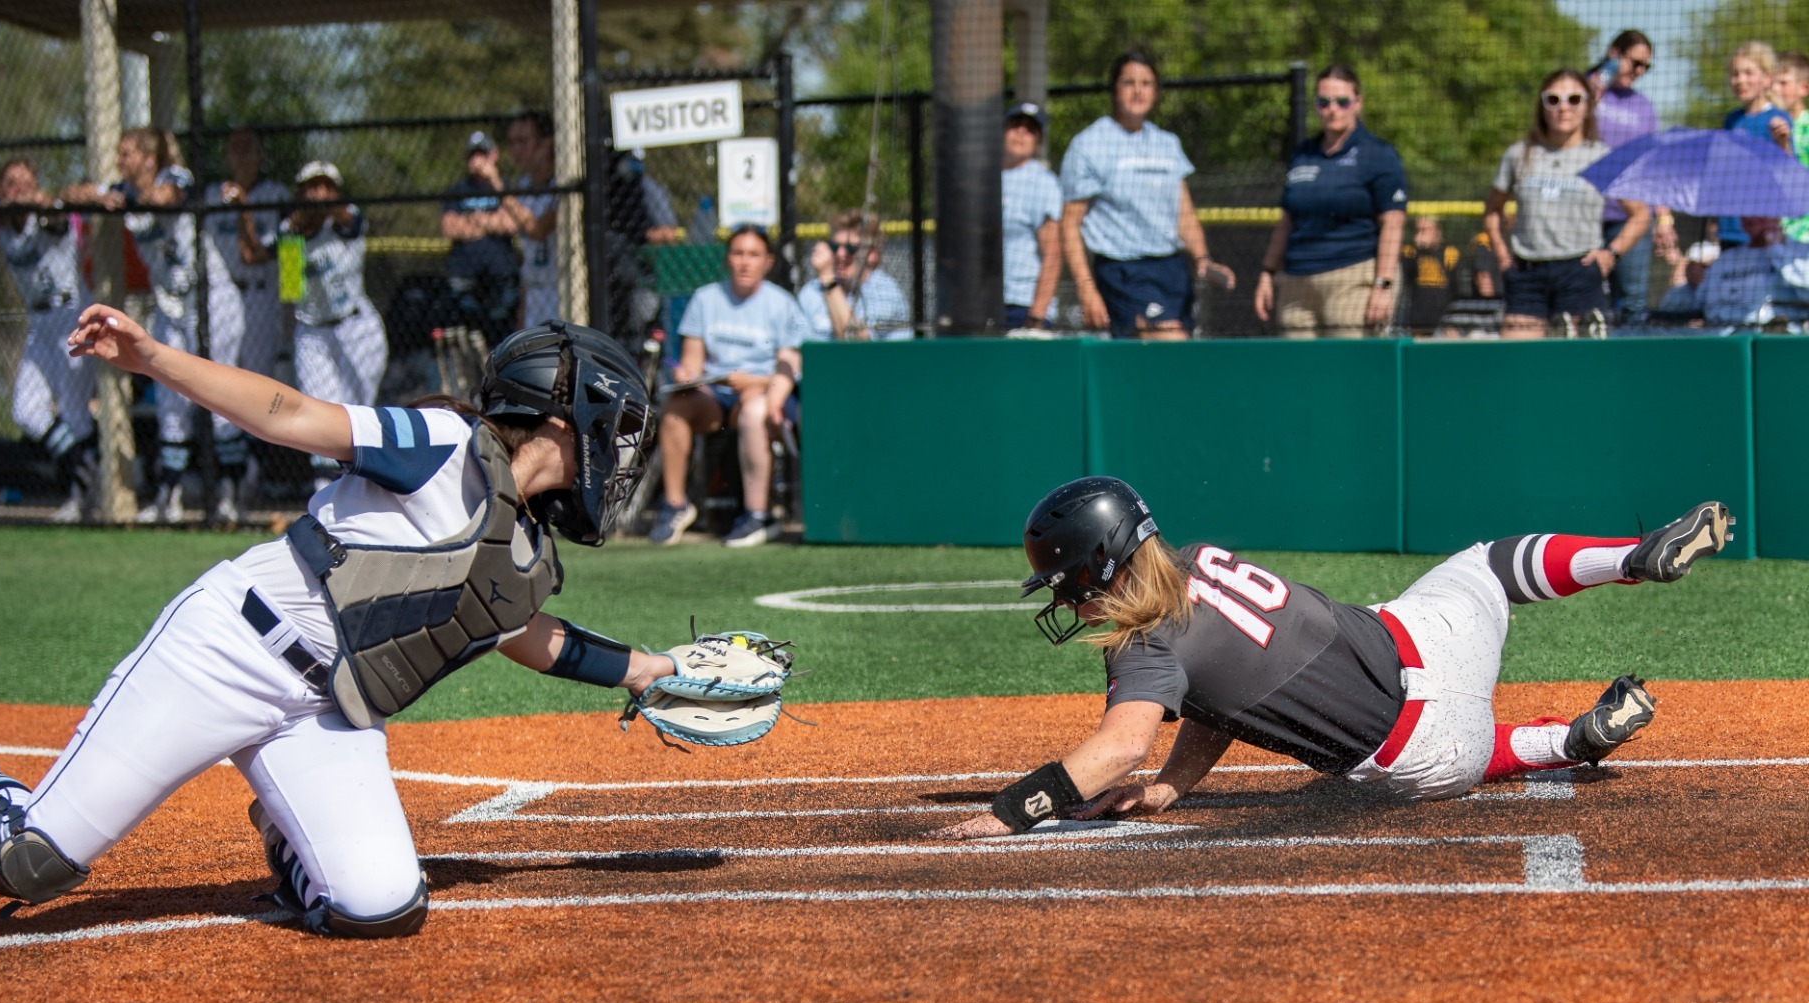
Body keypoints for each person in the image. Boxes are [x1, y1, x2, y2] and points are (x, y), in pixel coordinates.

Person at [0, 313, 667, 940]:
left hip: (325, 712)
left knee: (380, 905)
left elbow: (527, 635)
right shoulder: (444, 443)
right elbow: (289, 413)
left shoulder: (524, 547)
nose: (624, 453)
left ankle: (286, 827)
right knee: (30, 861)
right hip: (227, 651)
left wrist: (650, 669)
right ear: (563, 420)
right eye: (617, 427)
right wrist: (152, 358)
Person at [931, 478, 1734, 841]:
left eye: (1066, 585)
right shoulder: (1202, 560)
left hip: (1426, 749)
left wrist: (1010, 811)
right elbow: (1218, 692)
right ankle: (1628, 558)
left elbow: (1118, 749)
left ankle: (1562, 741)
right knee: (1489, 564)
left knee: (1450, 753)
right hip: (1427, 635)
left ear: (1093, 572)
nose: (1066, 601)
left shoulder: (1145, 646)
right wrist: (1177, 783)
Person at [61, 126, 247, 523]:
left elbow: (164, 198)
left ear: (148, 159)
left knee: (221, 399)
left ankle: (230, 495)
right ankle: (169, 498)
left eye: (127, 153)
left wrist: (126, 197)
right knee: (170, 401)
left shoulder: (173, 177)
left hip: (211, 298)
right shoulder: (121, 188)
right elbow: (70, 194)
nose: (119, 160)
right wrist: (101, 196)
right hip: (171, 304)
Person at [0, 159, 97, 522]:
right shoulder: (1, 222)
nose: (19, 190)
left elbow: (57, 216)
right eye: (11, 183)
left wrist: (36, 200)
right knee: (26, 410)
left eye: (26, 182)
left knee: (74, 412)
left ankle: (81, 493)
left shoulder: (47, 217)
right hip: (38, 321)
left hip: (71, 315)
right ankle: (85, 467)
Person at [1060, 51, 1235, 340]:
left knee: (1164, 355)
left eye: (1146, 83)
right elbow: (1069, 224)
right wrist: (1085, 287)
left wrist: (1203, 259)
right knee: (1170, 341)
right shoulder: (1089, 144)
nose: (1138, 91)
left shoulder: (1167, 143)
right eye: (1129, 82)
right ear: (1114, 89)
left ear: (1156, 91)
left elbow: (1184, 215)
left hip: (1172, 271)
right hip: (1124, 272)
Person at [654, 225, 807, 548]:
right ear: (727, 259)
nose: (745, 262)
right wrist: (686, 376)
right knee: (676, 408)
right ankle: (675, 506)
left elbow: (790, 369)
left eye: (753, 255)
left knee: (753, 407)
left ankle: (756, 515)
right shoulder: (705, 298)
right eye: (738, 253)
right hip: (714, 395)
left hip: (760, 393)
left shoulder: (783, 304)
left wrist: (754, 382)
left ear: (768, 261)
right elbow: (693, 361)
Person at [238, 162, 388, 491]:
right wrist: (244, 211)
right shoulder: (291, 233)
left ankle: (360, 492)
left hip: (356, 327)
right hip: (313, 333)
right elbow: (256, 259)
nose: (318, 193)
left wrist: (317, 209)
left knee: (355, 415)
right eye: (310, 187)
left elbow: (343, 215)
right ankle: (326, 493)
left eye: (325, 186)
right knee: (319, 414)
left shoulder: (346, 220)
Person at [1483, 70, 1650, 338]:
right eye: (1554, 99)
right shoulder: (1519, 154)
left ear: (1587, 105)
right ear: (1542, 105)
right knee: (1518, 360)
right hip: (1527, 275)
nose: (1564, 107)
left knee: (1578, 362)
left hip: (1579, 273)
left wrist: (1611, 254)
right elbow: (1493, 210)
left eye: (1574, 99)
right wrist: (1502, 255)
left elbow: (1640, 214)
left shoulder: (1601, 156)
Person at [1253, 64, 1407, 338]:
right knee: (1299, 364)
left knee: (1348, 361)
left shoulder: (1378, 154)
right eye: (1323, 102)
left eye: (1342, 101)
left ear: (1358, 103)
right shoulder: (1303, 154)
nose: (1332, 109)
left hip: (1352, 277)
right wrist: (1268, 273)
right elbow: (1287, 221)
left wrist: (1383, 285)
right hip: (1297, 281)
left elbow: (1393, 222)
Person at [210, 129, 293, 523]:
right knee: (222, 389)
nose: (242, 156)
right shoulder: (214, 194)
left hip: (263, 296)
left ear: (261, 155)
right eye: (235, 149)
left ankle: (253, 474)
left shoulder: (276, 194)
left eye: (249, 149)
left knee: (257, 389)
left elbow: (284, 252)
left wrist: (290, 308)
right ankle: (231, 480)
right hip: (223, 296)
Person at [1588, 30, 1675, 326]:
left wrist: (1664, 217)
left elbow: (1653, 165)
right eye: (1635, 63)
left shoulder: (1643, 106)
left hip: (1631, 219)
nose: (1639, 71)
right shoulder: (1584, 91)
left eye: (1646, 67)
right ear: (1615, 53)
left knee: (1632, 302)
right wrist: (1602, 77)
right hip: (1586, 214)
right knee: (1585, 300)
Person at [440, 130, 520, 350]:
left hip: (500, 276)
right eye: (472, 155)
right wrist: (491, 222)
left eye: (481, 154)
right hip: (464, 276)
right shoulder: (457, 190)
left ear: (493, 155)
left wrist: (472, 220)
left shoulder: (505, 187)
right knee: (467, 340)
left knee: (503, 339)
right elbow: (450, 227)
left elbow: (511, 223)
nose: (476, 160)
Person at [799, 210, 913, 341]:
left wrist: (828, 279)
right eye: (834, 247)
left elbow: (855, 341)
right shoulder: (811, 291)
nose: (840, 254)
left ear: (872, 254)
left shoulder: (885, 291)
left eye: (851, 248)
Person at [1721, 42, 1792, 250]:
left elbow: (1790, 172)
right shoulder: (1731, 120)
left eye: (1748, 73)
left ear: (1767, 78)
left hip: (1760, 229)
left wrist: (1783, 142)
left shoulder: (1777, 119)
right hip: (1729, 226)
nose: (1740, 80)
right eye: (1735, 74)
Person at [606, 149, 681, 347]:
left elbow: (670, 232)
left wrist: (644, 235)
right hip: (612, 272)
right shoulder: (604, 188)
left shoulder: (646, 187)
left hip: (642, 269)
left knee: (645, 309)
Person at [1001, 102, 1063, 330]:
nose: (1021, 133)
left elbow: (1053, 254)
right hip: (981, 304)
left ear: (1038, 141)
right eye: (1015, 125)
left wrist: (1036, 316)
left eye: (1030, 129)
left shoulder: (1043, 183)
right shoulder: (983, 177)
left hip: (1022, 306)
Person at [500, 112, 560, 329]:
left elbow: (537, 230)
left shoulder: (562, 186)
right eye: (512, 143)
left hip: (560, 291)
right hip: (534, 293)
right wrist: (523, 313)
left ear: (545, 144)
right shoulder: (523, 186)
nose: (516, 150)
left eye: (523, 141)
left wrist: (496, 186)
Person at [1773, 51, 1809, 244]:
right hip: (1776, 236)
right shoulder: (1766, 125)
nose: (1776, 89)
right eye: (1773, 84)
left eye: (1783, 83)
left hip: (1804, 236)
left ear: (1804, 87)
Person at [1400, 215, 1454, 335]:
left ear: (1436, 231)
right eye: (1417, 230)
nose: (1420, 234)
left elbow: (1457, 289)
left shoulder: (1450, 253)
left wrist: (1453, 321)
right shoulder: (1410, 253)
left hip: (1444, 321)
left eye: (1424, 230)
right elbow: (1403, 279)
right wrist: (1418, 250)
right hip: (1417, 320)